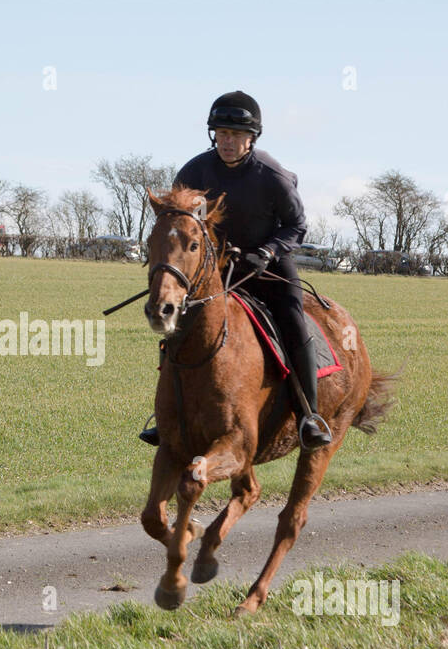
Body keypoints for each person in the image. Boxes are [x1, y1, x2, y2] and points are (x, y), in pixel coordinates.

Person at [139, 90, 333, 451]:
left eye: (235, 136)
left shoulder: (272, 175)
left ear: (252, 139)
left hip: (265, 267)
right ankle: (167, 416)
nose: (227, 142)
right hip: (213, 271)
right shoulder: (195, 172)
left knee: (293, 318)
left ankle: (310, 414)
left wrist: (269, 251)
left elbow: (297, 226)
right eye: (221, 134)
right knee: (178, 322)